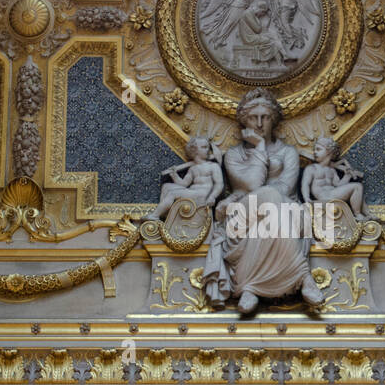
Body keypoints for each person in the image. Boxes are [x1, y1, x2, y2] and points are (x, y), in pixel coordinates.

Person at [203, 88, 324, 314]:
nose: (259, 123)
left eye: (265, 117)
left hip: (283, 209)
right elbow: (254, 186)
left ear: (274, 120)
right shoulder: (234, 154)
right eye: (253, 117)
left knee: (273, 208)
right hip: (243, 213)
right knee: (268, 200)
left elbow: (285, 188)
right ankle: (304, 277)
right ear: (244, 121)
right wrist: (259, 148)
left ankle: (249, 287)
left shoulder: (288, 152)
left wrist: (264, 190)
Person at [144, 136, 223, 221]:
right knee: (167, 186)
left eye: (208, 147)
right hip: (193, 192)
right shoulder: (193, 168)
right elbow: (184, 184)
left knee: (172, 194)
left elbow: (219, 184)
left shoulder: (213, 166)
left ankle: (155, 215)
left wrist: (212, 197)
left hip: (203, 195)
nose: (207, 150)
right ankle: (166, 214)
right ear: (194, 150)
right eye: (204, 147)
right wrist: (174, 175)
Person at [302, 137, 367, 217]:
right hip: (324, 196)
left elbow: (338, 186)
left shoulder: (332, 170)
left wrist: (347, 176)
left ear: (329, 152)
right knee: (357, 187)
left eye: (318, 149)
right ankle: (358, 214)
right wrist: (306, 198)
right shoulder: (312, 168)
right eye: (314, 150)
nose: (314, 152)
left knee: (358, 190)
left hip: (332, 194)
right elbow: (305, 184)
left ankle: (366, 213)